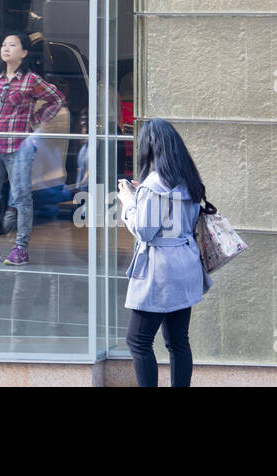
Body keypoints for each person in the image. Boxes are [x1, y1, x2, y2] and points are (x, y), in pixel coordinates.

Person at [117, 118, 210, 387]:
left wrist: (129, 201)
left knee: (138, 340)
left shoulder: (155, 184)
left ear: (149, 146)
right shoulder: (187, 180)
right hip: (186, 266)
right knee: (178, 342)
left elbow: (144, 231)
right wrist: (141, 195)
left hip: (159, 273)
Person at [0, 32, 66, 265]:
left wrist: (35, 120)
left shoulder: (31, 80)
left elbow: (58, 98)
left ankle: (21, 248)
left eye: (12, 45)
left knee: (22, 199)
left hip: (18, 147)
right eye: (3, 44)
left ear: (23, 53)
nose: (6, 48)